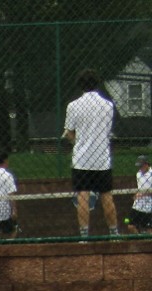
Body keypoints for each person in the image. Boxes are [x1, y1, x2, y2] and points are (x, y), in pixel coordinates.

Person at [64, 68, 119, 238]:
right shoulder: (108, 106)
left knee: (83, 194)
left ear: (80, 85)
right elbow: (106, 130)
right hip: (102, 158)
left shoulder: (73, 106)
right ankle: (114, 234)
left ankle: (84, 235)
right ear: (96, 83)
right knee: (106, 195)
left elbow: (69, 132)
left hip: (81, 158)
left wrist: (77, 141)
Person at [128, 154, 152, 234]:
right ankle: (140, 238)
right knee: (130, 226)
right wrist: (137, 194)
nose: (140, 168)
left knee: (149, 230)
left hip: (149, 206)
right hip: (138, 205)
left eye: (141, 166)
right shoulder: (138, 174)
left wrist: (143, 194)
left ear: (146, 164)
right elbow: (140, 188)